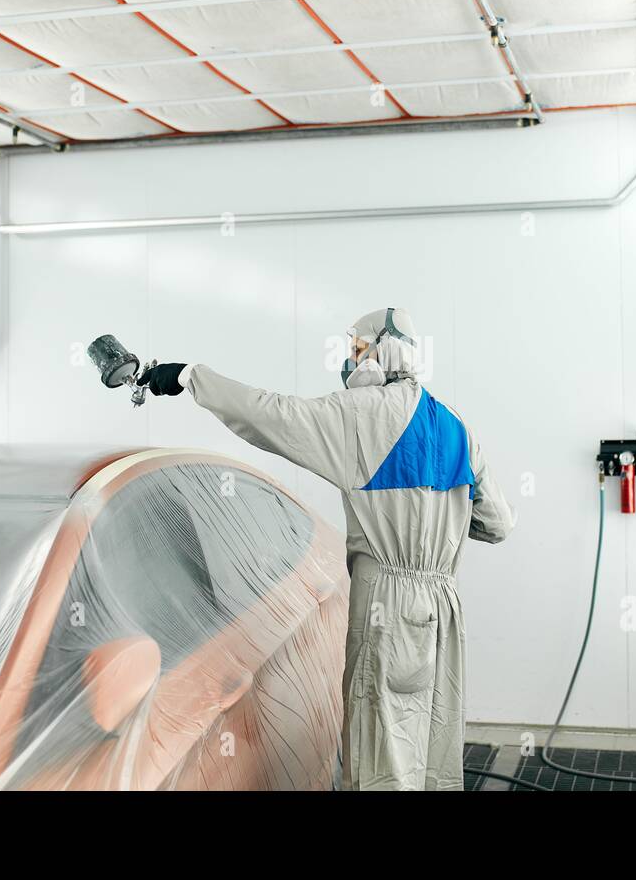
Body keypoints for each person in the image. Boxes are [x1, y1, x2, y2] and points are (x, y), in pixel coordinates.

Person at [140, 308, 514, 790]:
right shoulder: (455, 426)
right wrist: (441, 524)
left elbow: (272, 414)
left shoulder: (363, 415)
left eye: (357, 348)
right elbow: (498, 523)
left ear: (386, 349)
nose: (349, 360)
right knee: (430, 750)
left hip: (387, 605)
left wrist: (192, 377)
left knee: (380, 751)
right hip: (442, 609)